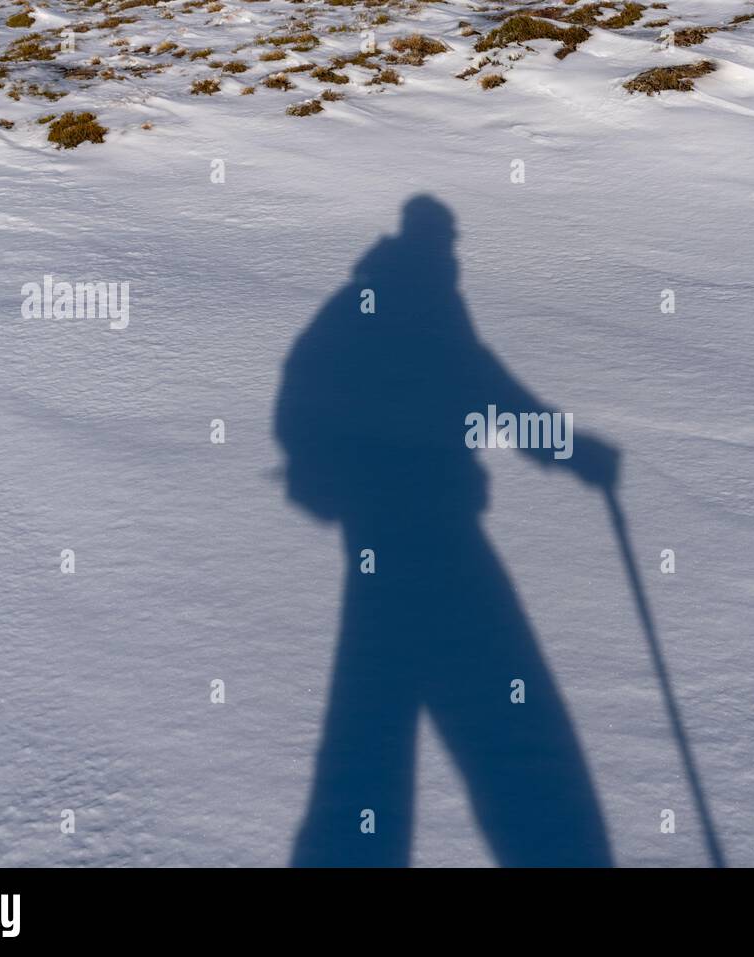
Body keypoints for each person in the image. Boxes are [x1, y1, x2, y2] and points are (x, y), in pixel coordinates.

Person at [275, 195, 617, 866]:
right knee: (486, 717)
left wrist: (577, 451)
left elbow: (493, 394)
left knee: (373, 714)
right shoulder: (394, 303)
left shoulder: (410, 301)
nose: (449, 254)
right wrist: (327, 474)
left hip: (412, 529)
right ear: (425, 244)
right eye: (443, 242)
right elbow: (489, 393)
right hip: (419, 532)